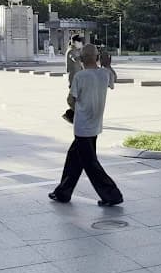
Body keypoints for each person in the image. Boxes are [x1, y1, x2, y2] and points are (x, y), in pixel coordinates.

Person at [49, 44, 123, 206]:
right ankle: (62, 193)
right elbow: (114, 79)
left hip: (82, 127)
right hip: (95, 125)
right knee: (74, 159)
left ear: (82, 59)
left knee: (90, 164)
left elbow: (70, 100)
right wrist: (107, 65)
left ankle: (112, 195)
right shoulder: (104, 74)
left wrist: (77, 110)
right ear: (97, 57)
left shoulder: (80, 76)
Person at [62, 34, 84, 123]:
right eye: (79, 41)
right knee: (72, 99)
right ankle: (72, 115)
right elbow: (75, 58)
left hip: (78, 79)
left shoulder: (77, 50)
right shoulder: (71, 51)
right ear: (74, 42)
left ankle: (70, 115)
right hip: (74, 79)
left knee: (77, 99)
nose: (81, 43)